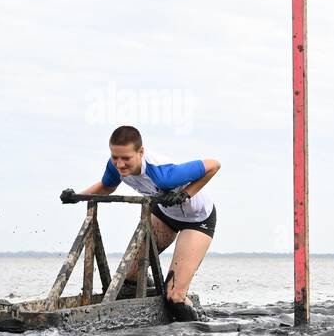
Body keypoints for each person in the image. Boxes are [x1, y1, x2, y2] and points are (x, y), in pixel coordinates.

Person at [61, 125, 221, 321]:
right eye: (115, 157)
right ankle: (150, 304)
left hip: (197, 220)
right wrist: (77, 196)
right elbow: (105, 187)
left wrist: (185, 194)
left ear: (141, 152)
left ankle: (199, 328)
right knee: (128, 281)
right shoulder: (115, 167)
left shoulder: (163, 175)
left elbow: (214, 165)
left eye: (126, 158)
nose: (119, 164)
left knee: (175, 298)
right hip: (165, 214)